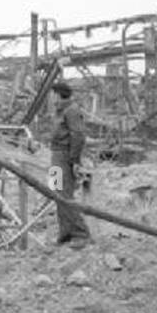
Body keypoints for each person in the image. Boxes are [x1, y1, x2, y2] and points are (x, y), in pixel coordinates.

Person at [49, 80, 91, 248]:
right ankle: (65, 233)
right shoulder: (59, 111)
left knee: (65, 195)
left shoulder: (72, 111)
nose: (51, 98)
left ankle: (81, 233)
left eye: (52, 95)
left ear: (58, 94)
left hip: (64, 157)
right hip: (55, 155)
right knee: (55, 192)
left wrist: (74, 160)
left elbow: (78, 136)